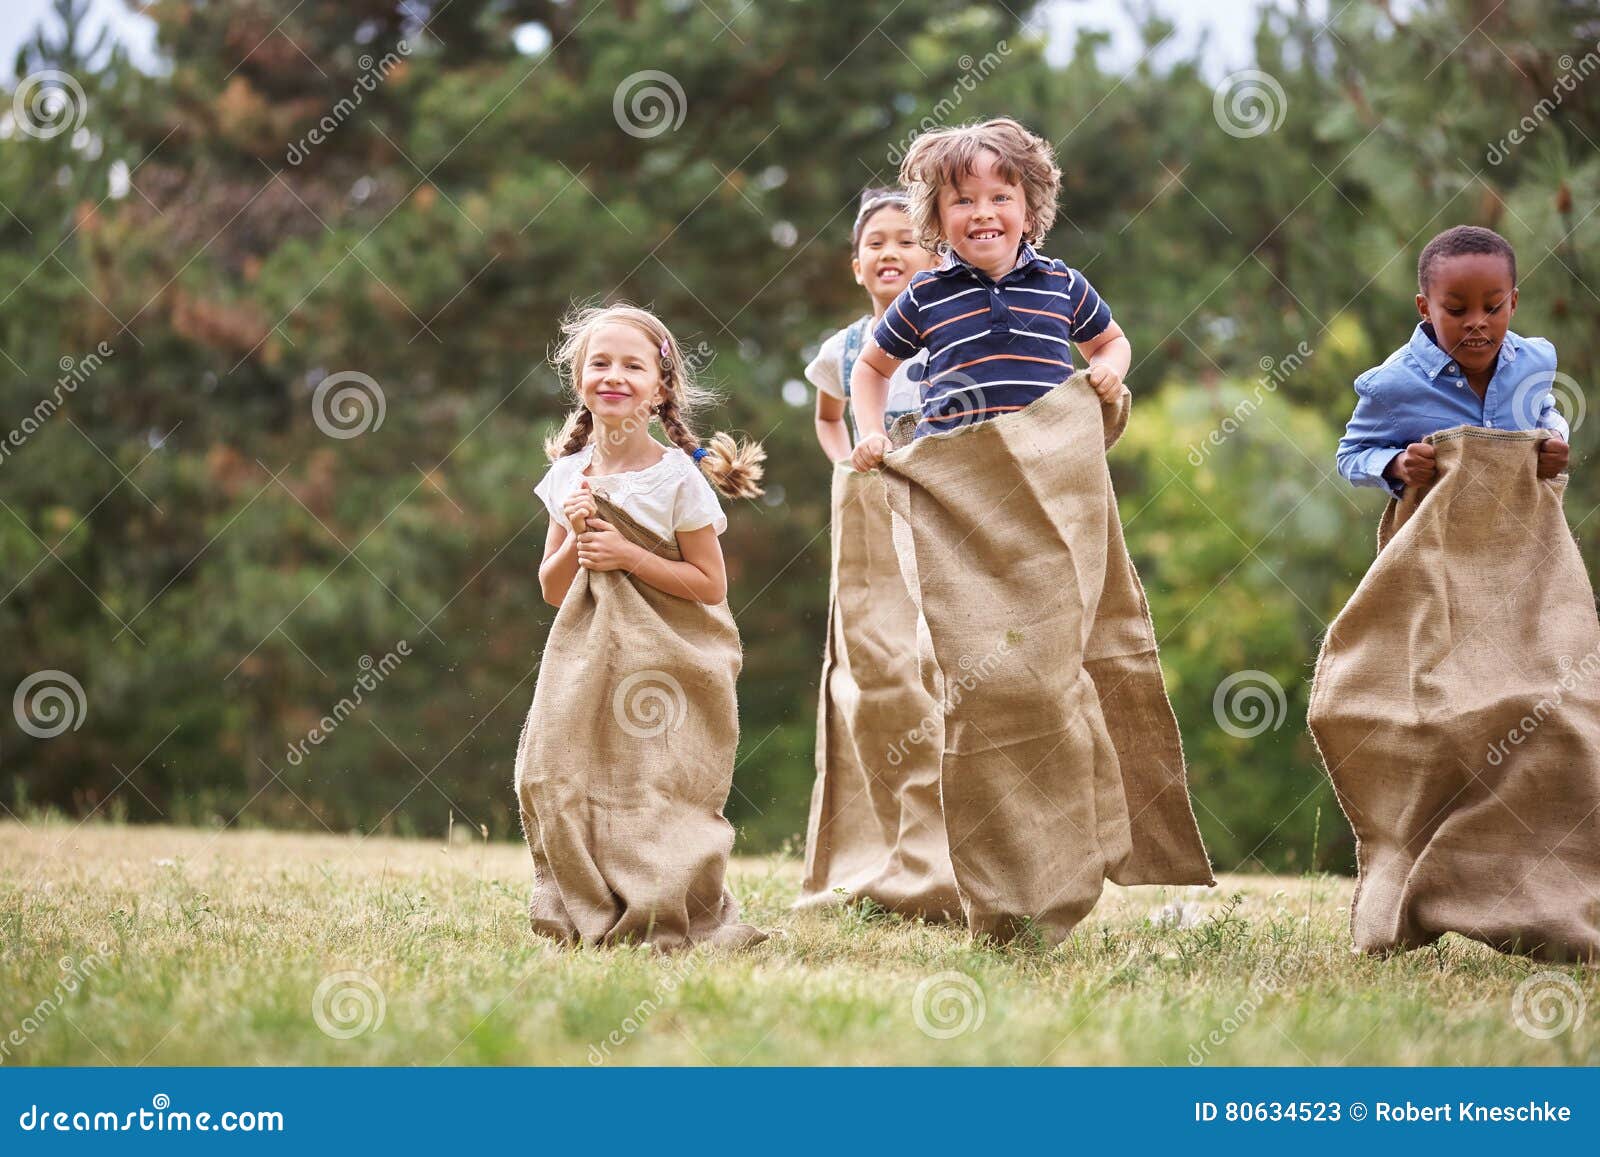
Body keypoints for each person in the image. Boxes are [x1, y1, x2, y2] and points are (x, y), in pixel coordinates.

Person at [512, 302, 768, 951]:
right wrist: (575, 532)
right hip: (584, 658)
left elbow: (711, 585)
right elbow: (550, 588)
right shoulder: (567, 475)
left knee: (648, 784)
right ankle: (578, 905)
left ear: (660, 389)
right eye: (600, 363)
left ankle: (659, 906)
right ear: (579, 379)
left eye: (632, 365)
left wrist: (628, 553)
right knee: (548, 772)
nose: (614, 375)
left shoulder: (677, 478)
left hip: (662, 659)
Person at [1336, 224, 1570, 491]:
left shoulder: (1535, 360)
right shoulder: (1390, 385)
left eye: (1492, 308)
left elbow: (1542, 411)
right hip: (1437, 532)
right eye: (1456, 310)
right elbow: (1349, 456)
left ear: (1513, 303)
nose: (1477, 322)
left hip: (1524, 529)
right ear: (1425, 308)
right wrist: (1397, 464)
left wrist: (1555, 437)